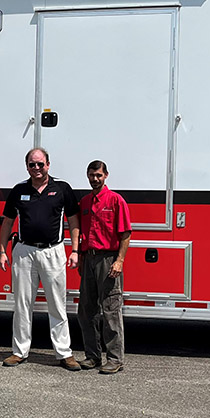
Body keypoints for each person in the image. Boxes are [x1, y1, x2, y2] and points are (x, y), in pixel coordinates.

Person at [0, 147, 81, 370]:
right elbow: (7, 221)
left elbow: (73, 220)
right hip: (24, 252)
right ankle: (19, 351)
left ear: (48, 165)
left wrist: (74, 249)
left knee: (57, 304)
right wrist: (2, 250)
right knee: (22, 304)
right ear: (27, 167)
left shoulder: (62, 189)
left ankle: (64, 353)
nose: (36, 168)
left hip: (53, 251)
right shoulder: (19, 190)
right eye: (32, 164)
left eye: (40, 164)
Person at [76, 160, 132, 375]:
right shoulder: (85, 202)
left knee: (110, 310)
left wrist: (119, 261)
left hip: (108, 260)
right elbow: (81, 233)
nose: (95, 179)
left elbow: (125, 234)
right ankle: (92, 356)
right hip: (89, 259)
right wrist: (81, 258)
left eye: (98, 175)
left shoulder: (116, 200)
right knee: (86, 311)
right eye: (91, 175)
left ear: (106, 175)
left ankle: (115, 359)